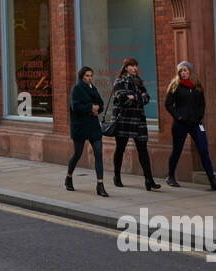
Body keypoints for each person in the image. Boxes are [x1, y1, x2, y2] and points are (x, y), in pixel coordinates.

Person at [164, 61, 216, 191]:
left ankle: (212, 180)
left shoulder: (197, 87)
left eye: (185, 70)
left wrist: (199, 116)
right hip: (180, 124)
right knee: (177, 150)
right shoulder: (176, 86)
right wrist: (178, 117)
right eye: (181, 71)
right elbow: (168, 105)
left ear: (190, 72)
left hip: (196, 123)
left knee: (203, 148)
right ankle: (170, 176)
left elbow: (202, 104)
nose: (183, 73)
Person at [109, 58, 159, 191]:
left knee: (143, 150)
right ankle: (116, 176)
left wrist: (134, 97)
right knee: (120, 149)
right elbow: (122, 99)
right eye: (131, 65)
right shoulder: (120, 81)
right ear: (126, 67)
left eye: (136, 65)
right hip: (124, 120)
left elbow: (147, 98)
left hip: (138, 120)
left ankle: (149, 180)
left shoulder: (139, 81)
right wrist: (137, 97)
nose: (135, 68)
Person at [65, 66, 107, 196]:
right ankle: (69, 177)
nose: (89, 78)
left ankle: (100, 185)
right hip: (80, 126)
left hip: (93, 126)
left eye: (91, 76)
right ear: (82, 76)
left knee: (99, 154)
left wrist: (97, 108)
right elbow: (75, 106)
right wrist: (91, 107)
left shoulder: (93, 88)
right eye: (87, 76)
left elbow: (101, 103)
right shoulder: (76, 89)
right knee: (77, 154)